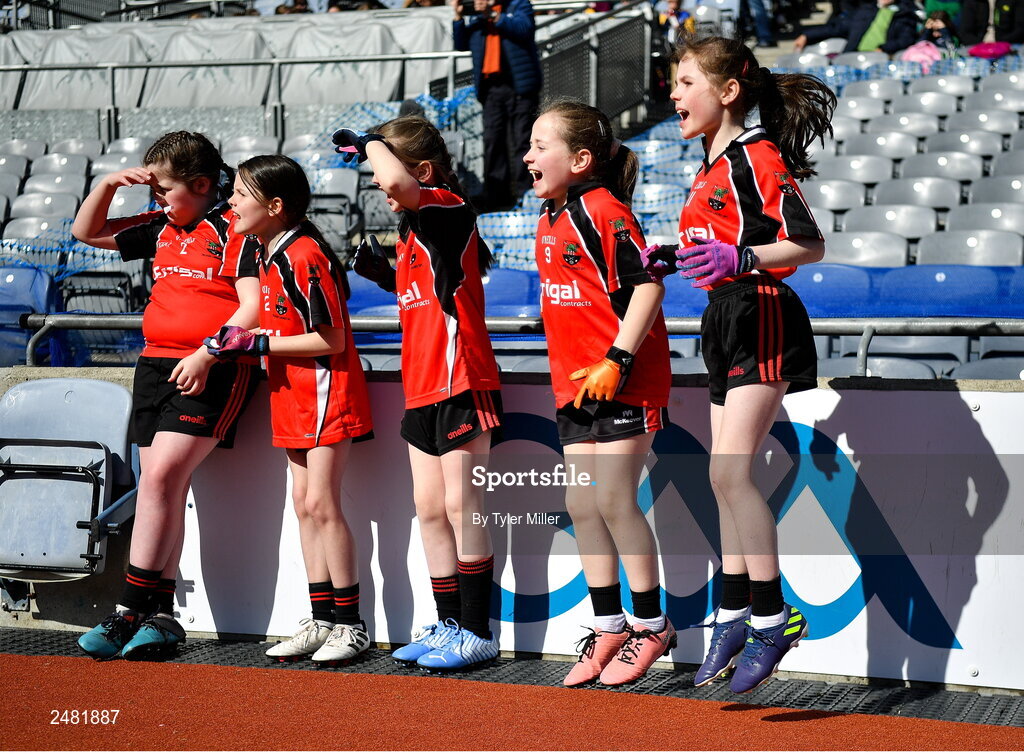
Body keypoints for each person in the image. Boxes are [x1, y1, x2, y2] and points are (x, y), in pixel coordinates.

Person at [649, 35, 833, 693]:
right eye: (674, 83)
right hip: (723, 318)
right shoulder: (707, 163)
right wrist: (674, 256)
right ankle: (733, 610)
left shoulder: (755, 155)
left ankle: (772, 614)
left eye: (686, 81)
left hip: (761, 311)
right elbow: (718, 242)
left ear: (728, 91)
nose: (674, 94)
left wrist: (744, 259)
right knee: (722, 475)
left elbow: (808, 242)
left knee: (730, 473)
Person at [71, 131, 261, 660]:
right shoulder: (159, 227)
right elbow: (88, 232)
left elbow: (253, 306)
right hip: (154, 365)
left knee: (158, 480)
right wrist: (108, 184)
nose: (156, 201)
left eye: (165, 191)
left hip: (211, 366)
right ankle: (161, 615)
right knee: (165, 489)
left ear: (202, 185)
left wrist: (208, 353)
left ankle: (127, 610)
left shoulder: (234, 229)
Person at [334, 116, 503, 671]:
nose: (380, 187)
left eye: (384, 173)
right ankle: (449, 623)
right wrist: (386, 277)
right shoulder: (413, 230)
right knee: (431, 510)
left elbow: (402, 185)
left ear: (423, 171)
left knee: (462, 506)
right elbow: (432, 292)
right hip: (422, 385)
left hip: (462, 380)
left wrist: (370, 142)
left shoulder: (450, 205)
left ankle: (478, 631)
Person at [524, 99, 675, 688]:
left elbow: (647, 287)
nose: (528, 156)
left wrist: (617, 358)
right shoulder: (549, 215)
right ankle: (609, 624)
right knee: (583, 506)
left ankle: (653, 626)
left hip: (623, 382)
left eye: (541, 146)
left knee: (614, 501)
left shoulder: (603, 209)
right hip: (575, 388)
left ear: (582, 159)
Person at [206, 155, 374, 665]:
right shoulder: (267, 250)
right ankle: (322, 619)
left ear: (275, 206)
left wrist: (256, 346)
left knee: (322, 505)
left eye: (239, 194)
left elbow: (331, 338)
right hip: (293, 393)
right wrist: (254, 337)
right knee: (304, 506)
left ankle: (351, 625)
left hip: (325, 391)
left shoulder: (304, 254)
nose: (230, 202)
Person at [451, 0, 542, 212]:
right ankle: (496, 198)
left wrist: (493, 14)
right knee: (493, 142)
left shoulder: (518, 5)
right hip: (491, 89)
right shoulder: (477, 15)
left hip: (519, 87)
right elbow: (462, 43)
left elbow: (525, 29)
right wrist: (458, 17)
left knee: (523, 141)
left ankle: (524, 194)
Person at [792, 0, 918, 54]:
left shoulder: (904, 14)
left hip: (883, 57)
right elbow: (836, 28)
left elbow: (905, 39)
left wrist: (883, 49)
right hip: (854, 55)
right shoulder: (865, 11)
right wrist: (807, 35)